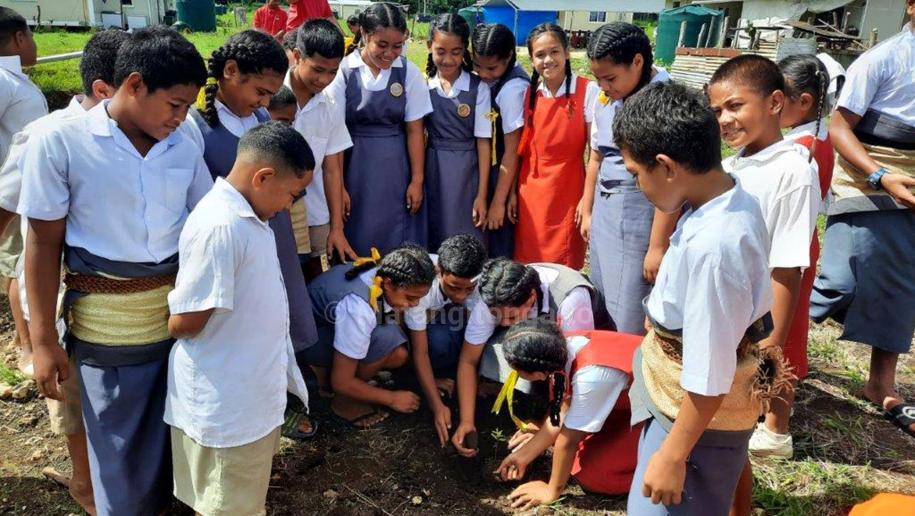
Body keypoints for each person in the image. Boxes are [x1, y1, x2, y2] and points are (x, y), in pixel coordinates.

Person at [20, 27, 210, 516]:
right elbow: (42, 243)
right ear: (133, 84)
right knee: (119, 458)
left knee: (175, 449)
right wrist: (42, 341)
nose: (180, 116)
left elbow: (207, 226)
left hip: (173, 327)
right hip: (108, 334)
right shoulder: (61, 142)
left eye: (188, 106)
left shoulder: (183, 141)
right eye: (173, 103)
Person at [614, 81, 779, 515]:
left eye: (636, 174)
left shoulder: (716, 248)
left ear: (666, 167)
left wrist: (672, 455)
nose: (637, 185)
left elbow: (710, 373)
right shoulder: (725, 195)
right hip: (683, 412)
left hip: (694, 430)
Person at [0, 28, 129, 515]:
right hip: (61, 287)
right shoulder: (44, 137)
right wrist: (36, 336)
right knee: (72, 395)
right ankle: (84, 485)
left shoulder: (146, 135)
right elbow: (6, 210)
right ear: (106, 89)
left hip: (126, 294)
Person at [166, 122, 313, 516]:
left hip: (248, 395)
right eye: (292, 195)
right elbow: (186, 320)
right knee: (226, 505)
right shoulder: (222, 227)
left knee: (237, 501)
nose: (289, 206)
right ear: (263, 177)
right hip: (227, 406)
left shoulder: (249, 218)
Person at [708, 54, 820, 515]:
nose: (725, 120)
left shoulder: (792, 169)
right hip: (723, 314)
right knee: (715, 425)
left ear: (776, 102)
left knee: (729, 432)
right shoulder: (739, 163)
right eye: (717, 111)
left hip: (752, 328)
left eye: (735, 106)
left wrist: (771, 348)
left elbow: (788, 267)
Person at [810, 1, 915, 439]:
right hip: (869, 180)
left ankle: (881, 384)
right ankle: (762, 345)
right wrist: (880, 174)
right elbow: (839, 127)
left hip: (911, 190)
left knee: (901, 284)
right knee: (838, 283)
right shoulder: (882, 59)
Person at [743, 54, 832, 458]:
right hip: (787, 246)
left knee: (782, 340)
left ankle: (777, 430)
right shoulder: (815, 139)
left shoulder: (803, 150)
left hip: (788, 254)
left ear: (803, 102)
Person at [582, 22, 679, 335]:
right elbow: (596, 155)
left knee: (628, 302)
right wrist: (587, 208)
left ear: (638, 62)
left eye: (610, 78)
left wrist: (657, 245)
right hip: (605, 207)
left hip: (639, 213)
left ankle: (628, 374)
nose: (603, 86)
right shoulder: (608, 95)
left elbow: (671, 183)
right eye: (598, 78)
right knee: (602, 291)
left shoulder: (664, 102)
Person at [451, 257, 601, 457]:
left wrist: (542, 431)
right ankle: (522, 393)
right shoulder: (494, 299)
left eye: (512, 317)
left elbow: (574, 378)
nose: (505, 324)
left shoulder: (571, 301)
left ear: (531, 297)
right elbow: (468, 360)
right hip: (539, 339)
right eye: (498, 317)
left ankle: (539, 406)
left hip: (579, 345)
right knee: (491, 349)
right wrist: (467, 421)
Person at [493, 320, 642, 509]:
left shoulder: (591, 374)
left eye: (517, 370)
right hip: (624, 404)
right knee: (572, 454)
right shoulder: (560, 348)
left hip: (660, 411)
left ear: (539, 374)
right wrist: (524, 455)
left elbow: (568, 439)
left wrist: (551, 491)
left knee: (595, 476)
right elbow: (562, 412)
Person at [328, 2, 433, 255]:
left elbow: (414, 130)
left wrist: (417, 179)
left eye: (397, 46)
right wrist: (340, 185)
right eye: (382, 45)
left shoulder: (408, 72)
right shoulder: (344, 71)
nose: (390, 53)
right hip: (355, 166)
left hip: (397, 167)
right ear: (364, 34)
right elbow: (335, 133)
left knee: (398, 237)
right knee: (358, 229)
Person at [301, 244, 434, 428]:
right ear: (388, 284)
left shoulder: (379, 275)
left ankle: (328, 374)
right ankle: (343, 402)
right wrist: (391, 398)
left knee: (396, 351)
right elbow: (342, 381)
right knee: (386, 339)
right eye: (410, 298)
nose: (415, 304)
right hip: (308, 342)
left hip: (322, 329)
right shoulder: (359, 308)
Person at [514, 23, 598, 269]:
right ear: (531, 59)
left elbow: (596, 153)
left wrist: (587, 199)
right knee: (530, 265)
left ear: (567, 52)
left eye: (554, 52)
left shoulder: (587, 91)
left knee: (563, 265)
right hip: (530, 192)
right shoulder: (527, 94)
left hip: (568, 190)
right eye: (540, 55)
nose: (547, 60)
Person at [286, 18, 356, 280]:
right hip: (275, 213)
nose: (324, 79)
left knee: (314, 277)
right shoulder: (271, 96)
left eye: (332, 72)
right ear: (296, 56)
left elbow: (332, 170)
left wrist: (336, 227)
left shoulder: (331, 104)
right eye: (317, 69)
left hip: (316, 212)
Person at [405, 233, 487, 447]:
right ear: (438, 271)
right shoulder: (420, 288)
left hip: (447, 320)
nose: (461, 295)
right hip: (406, 326)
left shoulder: (482, 285)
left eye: (469, 289)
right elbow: (420, 351)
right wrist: (436, 405)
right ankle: (412, 377)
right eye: (453, 287)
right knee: (438, 342)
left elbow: (476, 340)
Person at [0, 7, 45, 377]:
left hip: (24, 187)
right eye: (30, 36)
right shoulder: (2, 80)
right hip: (12, 191)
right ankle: (27, 345)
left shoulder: (16, 80)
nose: (34, 44)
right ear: (17, 39)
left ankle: (24, 340)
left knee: (19, 262)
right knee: (19, 265)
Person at [423, 14, 491, 249]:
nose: (448, 59)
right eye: (441, 51)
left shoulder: (478, 88)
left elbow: (483, 143)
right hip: (432, 168)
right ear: (429, 46)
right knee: (435, 229)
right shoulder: (423, 86)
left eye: (456, 52)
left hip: (466, 172)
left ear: (465, 51)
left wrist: (482, 195)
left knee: (465, 232)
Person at [471, 23, 527, 258]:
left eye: (491, 68)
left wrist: (498, 202)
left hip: (503, 175)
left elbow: (512, 151)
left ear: (509, 57)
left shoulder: (513, 89)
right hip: (496, 172)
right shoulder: (499, 79)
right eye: (477, 66)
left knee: (499, 244)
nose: (483, 74)